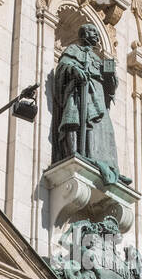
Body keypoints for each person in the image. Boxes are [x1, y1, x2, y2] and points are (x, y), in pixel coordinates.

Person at [50, 24, 131, 186]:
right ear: (83, 34)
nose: (96, 35)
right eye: (92, 31)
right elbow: (63, 66)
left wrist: (110, 75)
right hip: (80, 92)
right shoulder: (74, 50)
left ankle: (105, 164)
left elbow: (110, 89)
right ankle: (75, 153)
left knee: (104, 129)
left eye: (96, 33)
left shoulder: (98, 59)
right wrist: (74, 70)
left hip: (98, 97)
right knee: (74, 118)